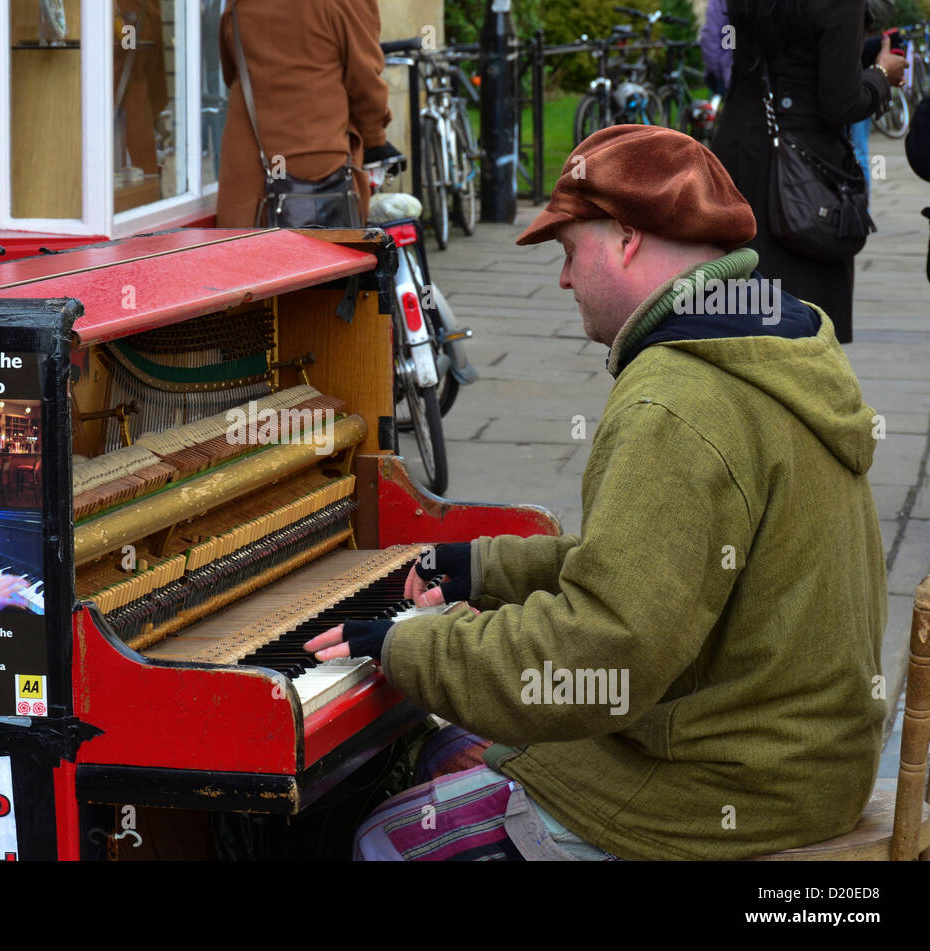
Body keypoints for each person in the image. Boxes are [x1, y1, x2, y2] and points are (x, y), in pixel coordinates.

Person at [307, 126, 888, 860]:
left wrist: (408, 645)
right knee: (440, 750)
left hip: (723, 790)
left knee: (382, 840)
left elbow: (601, 658)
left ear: (626, 237)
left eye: (567, 250)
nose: (562, 279)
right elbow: (658, 568)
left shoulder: (676, 398)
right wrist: (481, 569)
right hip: (804, 762)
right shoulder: (775, 345)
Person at [712, 0, 905, 343]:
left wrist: (859, 50)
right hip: (804, 168)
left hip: (739, 151)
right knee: (802, 317)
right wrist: (880, 76)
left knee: (746, 305)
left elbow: (781, 53)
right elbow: (841, 103)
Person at [214, 0, 396, 227]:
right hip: (318, 165)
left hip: (248, 170)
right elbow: (365, 83)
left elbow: (231, 69)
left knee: (246, 258)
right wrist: (375, 137)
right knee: (326, 257)